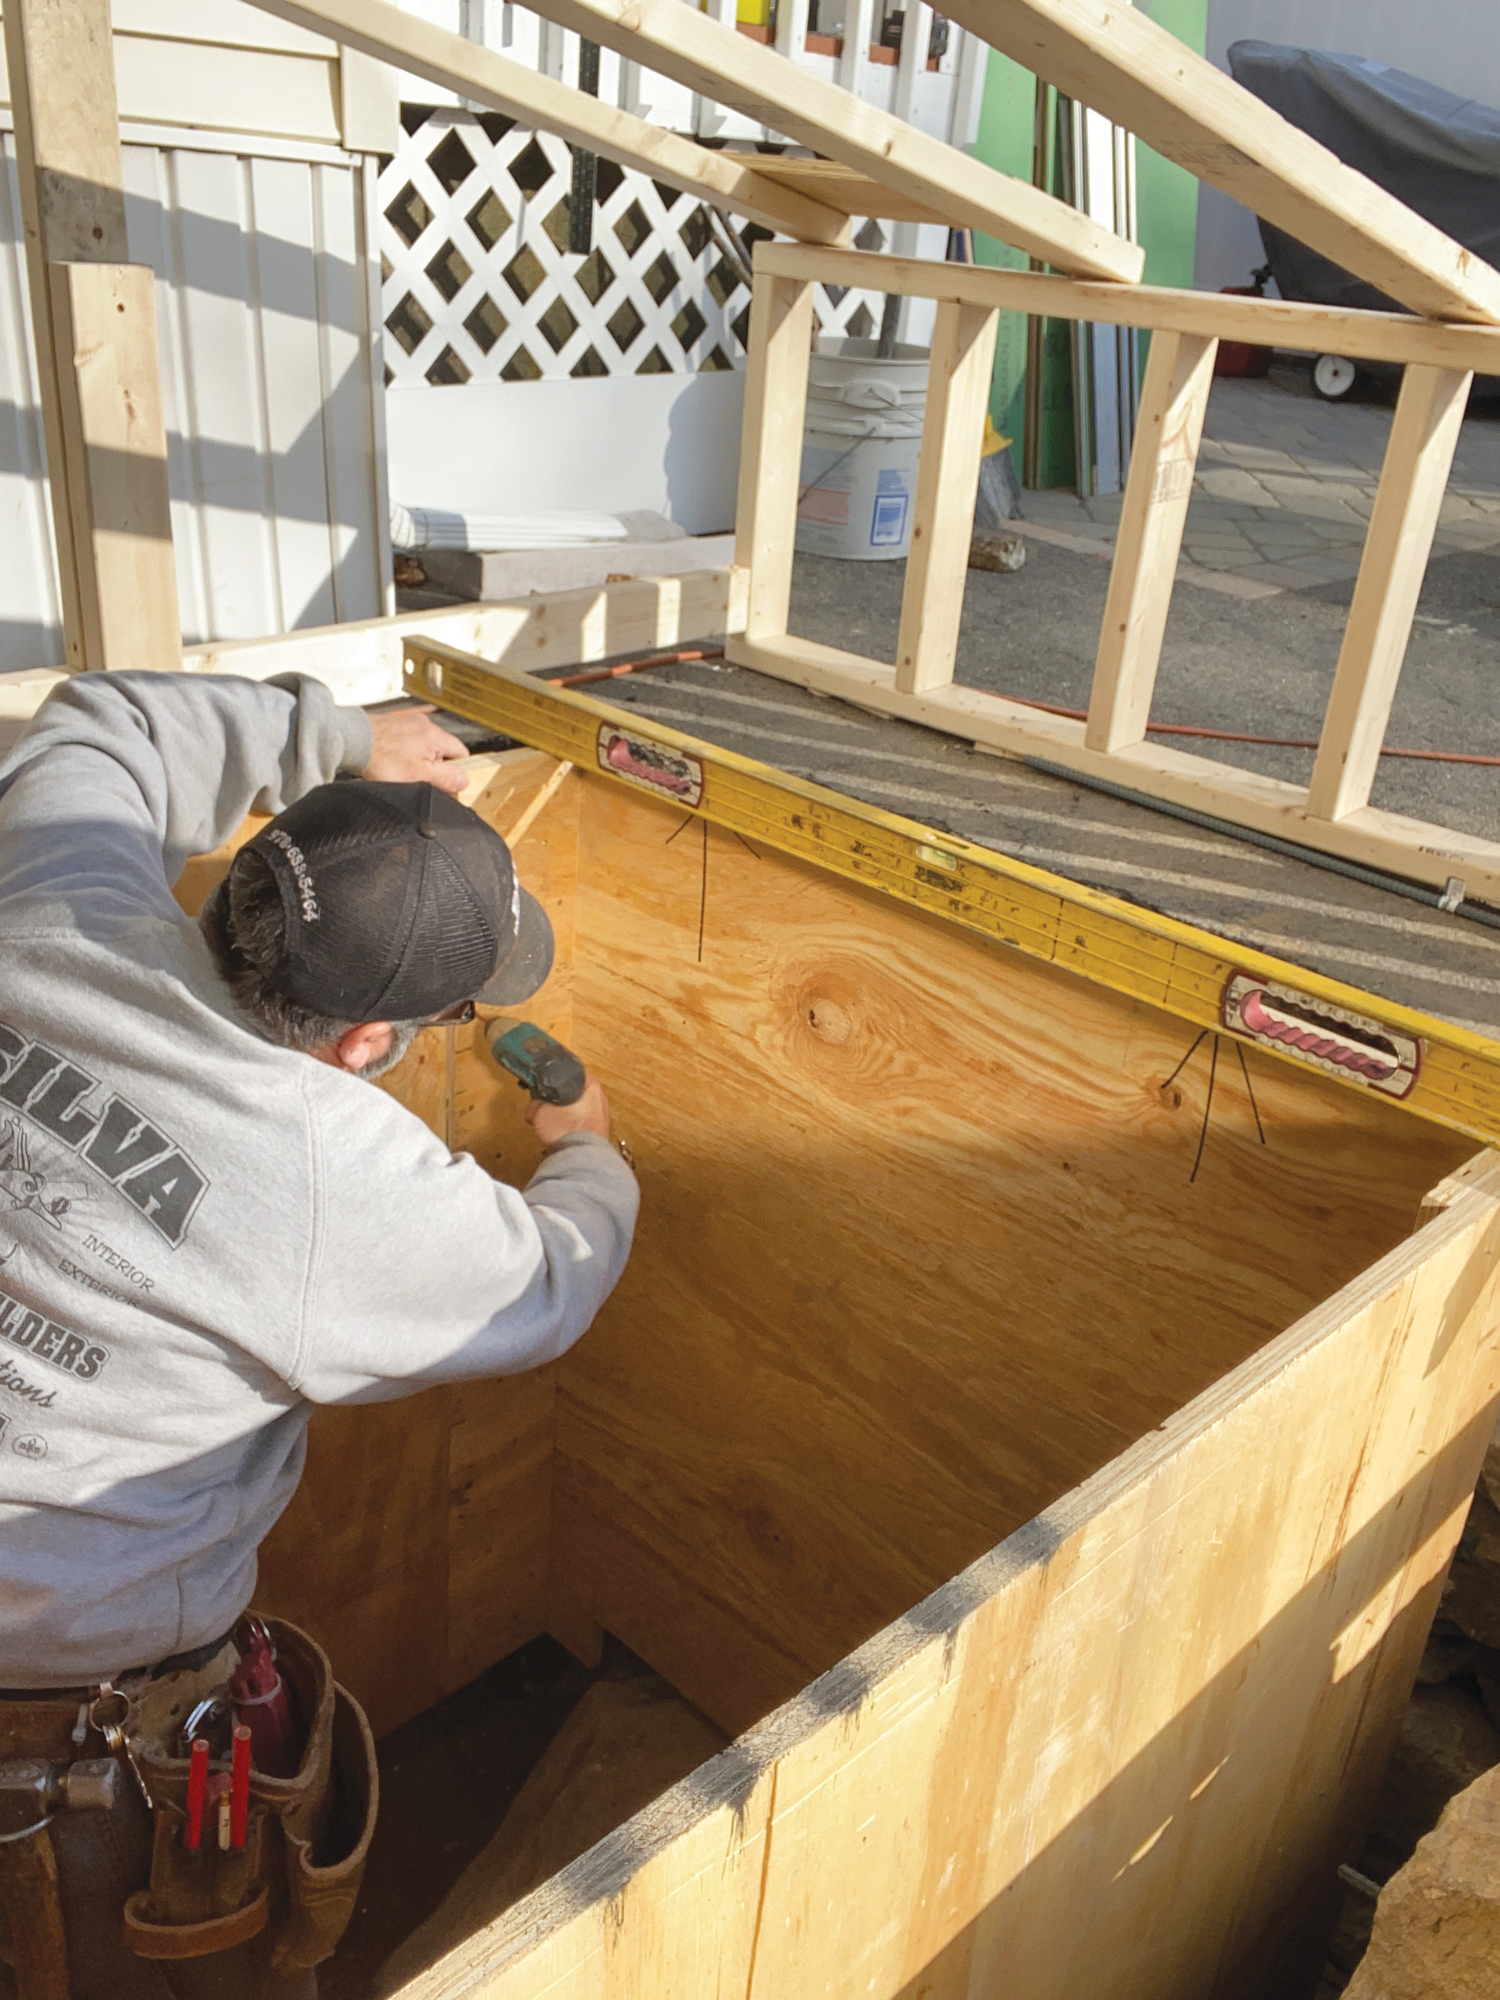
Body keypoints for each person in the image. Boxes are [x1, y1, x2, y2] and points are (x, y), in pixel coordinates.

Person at [0, 670, 639, 1999]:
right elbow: (552, 1278)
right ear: (364, 1043)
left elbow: (101, 722)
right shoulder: (323, 1177)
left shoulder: (53, 895)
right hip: (63, 1718)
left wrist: (339, 735)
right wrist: (589, 1153)